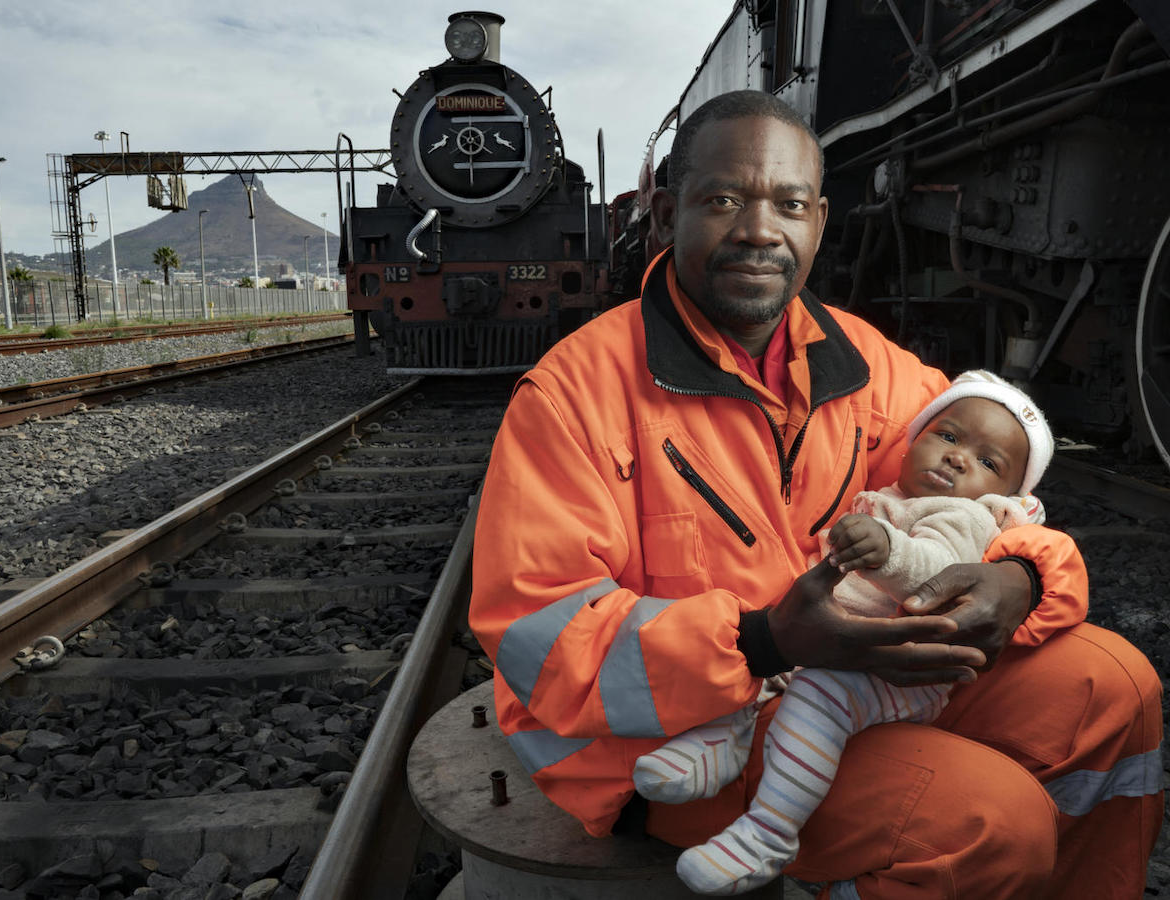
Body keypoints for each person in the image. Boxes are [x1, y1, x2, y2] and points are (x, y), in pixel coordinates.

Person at [468, 90, 1163, 898]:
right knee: (987, 823)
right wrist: (762, 642)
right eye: (724, 199)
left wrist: (1024, 577)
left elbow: (985, 493)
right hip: (660, 739)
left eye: (789, 204)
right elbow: (536, 638)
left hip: (845, 670)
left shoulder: (869, 365)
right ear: (665, 214)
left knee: (1115, 689)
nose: (761, 229)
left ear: (820, 222)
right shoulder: (573, 395)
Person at [636, 370, 1057, 894]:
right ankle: (722, 742)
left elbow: (937, 570)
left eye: (988, 462)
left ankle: (768, 832)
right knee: (752, 653)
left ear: (1006, 494)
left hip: (898, 668)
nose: (957, 457)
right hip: (840, 641)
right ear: (912, 441)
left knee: (819, 696)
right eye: (947, 436)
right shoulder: (891, 497)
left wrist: (889, 551)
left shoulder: (964, 514)